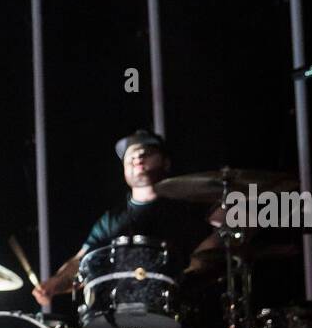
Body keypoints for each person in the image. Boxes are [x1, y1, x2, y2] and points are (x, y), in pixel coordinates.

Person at [32, 130, 208, 306]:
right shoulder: (111, 221)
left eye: (146, 152)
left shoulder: (187, 210)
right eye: (130, 155)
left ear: (166, 163)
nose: (137, 157)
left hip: (178, 308)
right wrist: (54, 284)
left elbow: (214, 253)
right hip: (121, 313)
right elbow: (82, 262)